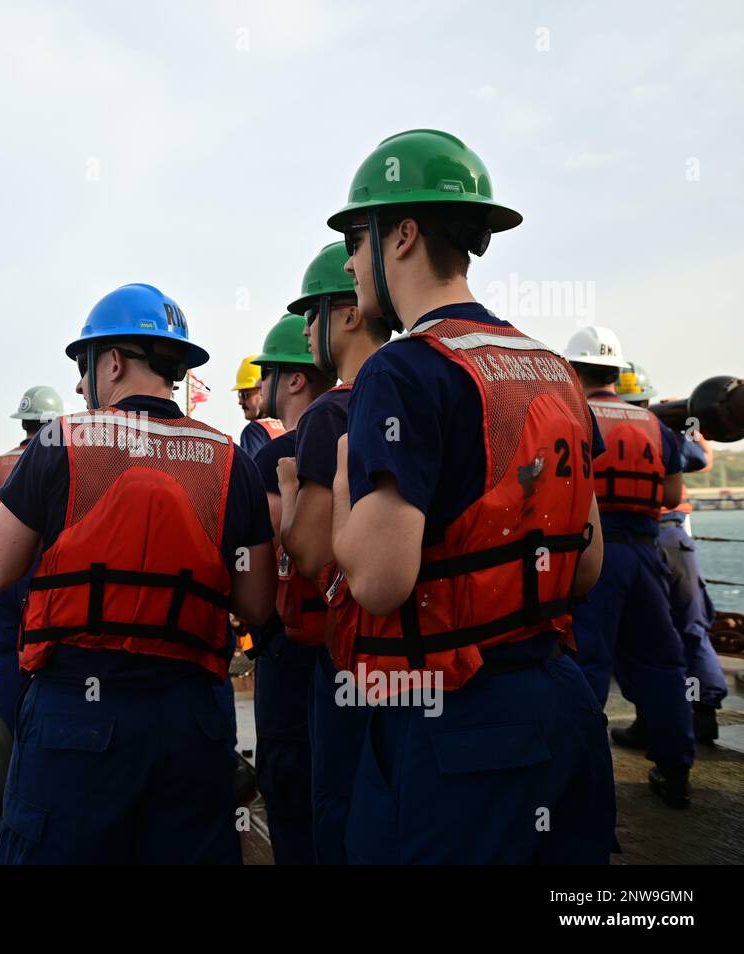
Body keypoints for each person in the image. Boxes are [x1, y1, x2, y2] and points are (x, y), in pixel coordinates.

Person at [324, 129, 614, 863]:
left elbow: (380, 583)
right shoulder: (552, 369)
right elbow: (584, 566)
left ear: (403, 235)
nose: (352, 265)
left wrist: (342, 479)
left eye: (357, 240)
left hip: (458, 726)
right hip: (563, 705)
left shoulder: (403, 370)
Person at [0, 283, 276, 864]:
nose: (82, 385)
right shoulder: (229, 459)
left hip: (75, 720)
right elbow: (258, 603)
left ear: (112, 360)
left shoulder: (63, 442)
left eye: (85, 368)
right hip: (190, 721)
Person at [276, 240, 390, 863]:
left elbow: (312, 547)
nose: (307, 330)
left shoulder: (330, 413)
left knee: (339, 803)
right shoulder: (418, 385)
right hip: (428, 653)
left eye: (313, 315)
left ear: (348, 314)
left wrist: (292, 487)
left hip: (352, 653)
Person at [566, 333, 695, 808]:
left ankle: (577, 776)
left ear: (575, 371)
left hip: (593, 554)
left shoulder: (574, 416)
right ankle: (676, 768)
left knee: (586, 663)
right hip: (646, 556)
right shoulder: (654, 425)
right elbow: (667, 495)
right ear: (616, 373)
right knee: (662, 662)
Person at [245, 312, 333, 863]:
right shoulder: (359, 425)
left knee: (289, 782)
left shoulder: (273, 456)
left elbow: (258, 562)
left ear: (294, 379)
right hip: (350, 648)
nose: (259, 388)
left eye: (268, 373)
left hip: (290, 646)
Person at [613, 363, 726, 745]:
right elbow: (698, 459)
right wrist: (686, 416)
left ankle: (649, 719)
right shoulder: (664, 433)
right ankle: (702, 713)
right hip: (674, 540)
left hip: (634, 543)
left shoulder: (602, 428)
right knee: (690, 627)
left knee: (639, 639)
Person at [0, 385, 63, 733]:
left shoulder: (1, 463)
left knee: (7, 658)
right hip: (52, 580)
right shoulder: (62, 459)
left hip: (9, 579)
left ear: (23, 421)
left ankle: (8, 747)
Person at [234, 354, 287, 457]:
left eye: (244, 395)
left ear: (262, 390)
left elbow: (253, 472)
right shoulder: (291, 425)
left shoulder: (255, 430)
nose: (240, 402)